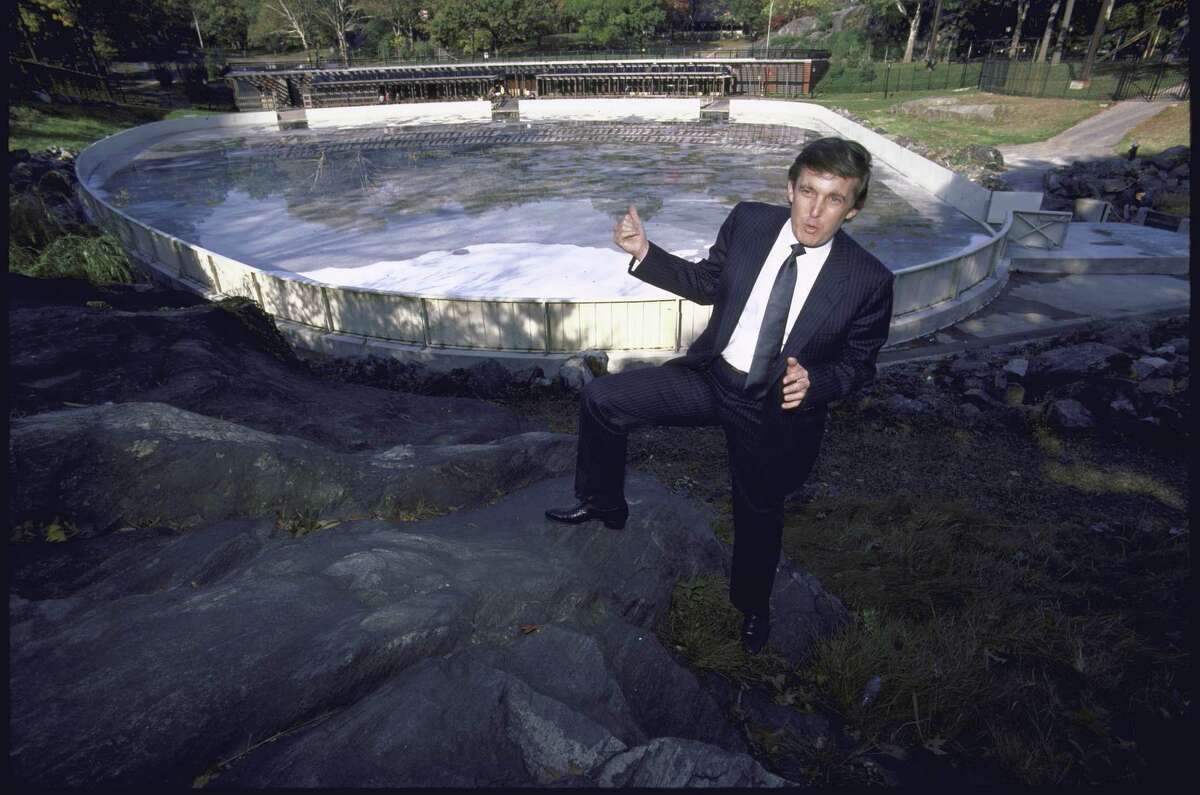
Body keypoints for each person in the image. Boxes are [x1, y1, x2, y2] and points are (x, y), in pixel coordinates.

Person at [545, 137, 895, 655]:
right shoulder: (751, 221)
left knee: (758, 512)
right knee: (603, 399)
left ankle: (752, 606)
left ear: (854, 208)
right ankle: (603, 504)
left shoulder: (868, 280)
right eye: (807, 191)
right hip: (713, 379)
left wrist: (817, 383)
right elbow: (709, 281)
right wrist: (645, 253)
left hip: (770, 410)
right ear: (790, 188)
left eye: (834, 199)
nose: (815, 211)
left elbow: (859, 367)